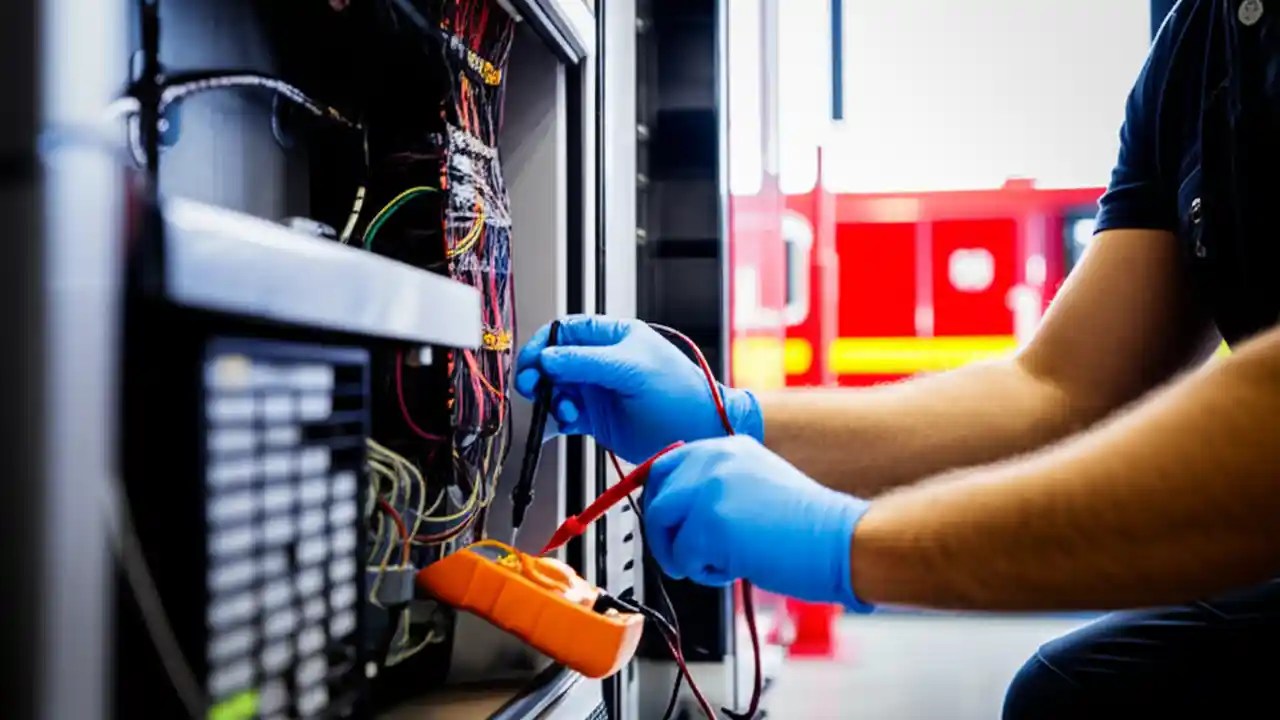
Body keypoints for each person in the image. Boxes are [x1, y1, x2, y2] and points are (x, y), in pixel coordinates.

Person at [517, 1, 1280, 717]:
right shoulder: (1195, 46)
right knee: (1082, 694)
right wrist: (727, 415)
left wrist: (849, 546)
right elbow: (1062, 387)